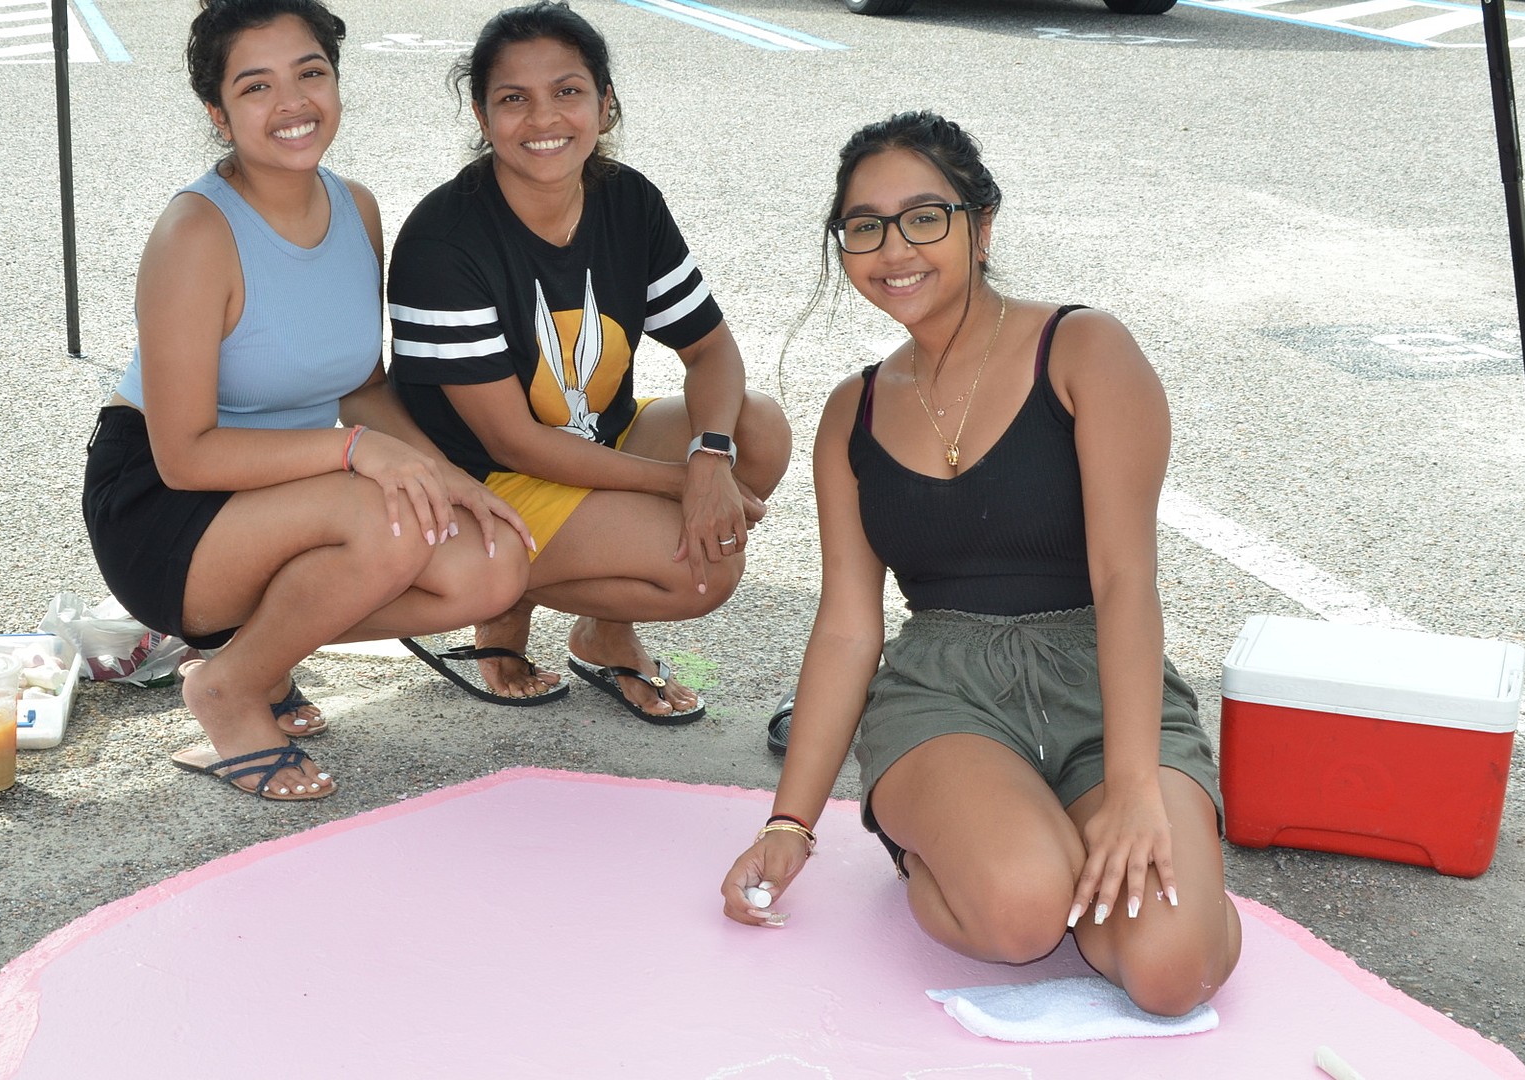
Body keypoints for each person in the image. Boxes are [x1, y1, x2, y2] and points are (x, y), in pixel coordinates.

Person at [718, 111, 1240, 1016]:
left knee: (1170, 971)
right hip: (942, 693)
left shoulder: (1084, 350)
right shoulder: (852, 411)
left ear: (982, 225)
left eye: (925, 216)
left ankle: (1104, 835)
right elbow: (848, 625)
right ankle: (943, 843)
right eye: (864, 227)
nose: (894, 249)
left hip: (1100, 676)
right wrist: (789, 823)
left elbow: (1125, 582)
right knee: (1021, 914)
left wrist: (1131, 790)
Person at [81, 0, 533, 801]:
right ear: (218, 115)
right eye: (257, 87)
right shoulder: (194, 233)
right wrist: (358, 454)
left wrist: (447, 474)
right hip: (163, 506)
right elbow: (184, 454)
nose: (292, 104)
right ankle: (226, 686)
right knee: (385, 517)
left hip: (285, 493)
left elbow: (361, 390)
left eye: (310, 73)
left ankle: (256, 653)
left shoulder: (356, 207)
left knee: (491, 570)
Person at [386, 1, 790, 723]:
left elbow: (711, 350)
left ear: (605, 105)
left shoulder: (625, 200)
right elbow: (515, 441)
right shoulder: (442, 242)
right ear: (481, 117)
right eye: (514, 99)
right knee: (705, 577)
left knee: (756, 428)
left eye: (568, 92)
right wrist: (683, 485)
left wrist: (711, 459)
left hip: (591, 444)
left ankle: (604, 631)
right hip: (484, 481)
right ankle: (497, 598)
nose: (544, 120)